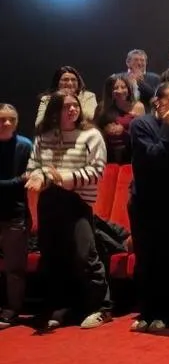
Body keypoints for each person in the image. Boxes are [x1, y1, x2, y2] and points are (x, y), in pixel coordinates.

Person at [27, 93, 112, 330]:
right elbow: (33, 167)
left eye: (75, 105)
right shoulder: (44, 136)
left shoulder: (91, 135)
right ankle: (61, 306)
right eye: (67, 107)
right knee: (53, 257)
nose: (73, 109)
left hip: (77, 201)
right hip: (48, 200)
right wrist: (41, 176)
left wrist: (60, 177)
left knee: (85, 255)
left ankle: (102, 308)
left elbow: (96, 171)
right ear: (55, 110)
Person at [128, 82, 169, 332]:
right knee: (146, 258)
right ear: (158, 102)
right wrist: (168, 126)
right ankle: (147, 311)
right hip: (145, 200)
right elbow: (153, 156)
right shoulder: (141, 124)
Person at [0, 104, 31, 329]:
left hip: (15, 213)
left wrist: (17, 182)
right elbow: (18, 181)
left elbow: (27, 180)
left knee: (14, 268)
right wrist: (15, 182)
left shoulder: (25, 146)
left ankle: (12, 310)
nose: (7, 123)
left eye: (11, 119)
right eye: (2, 119)